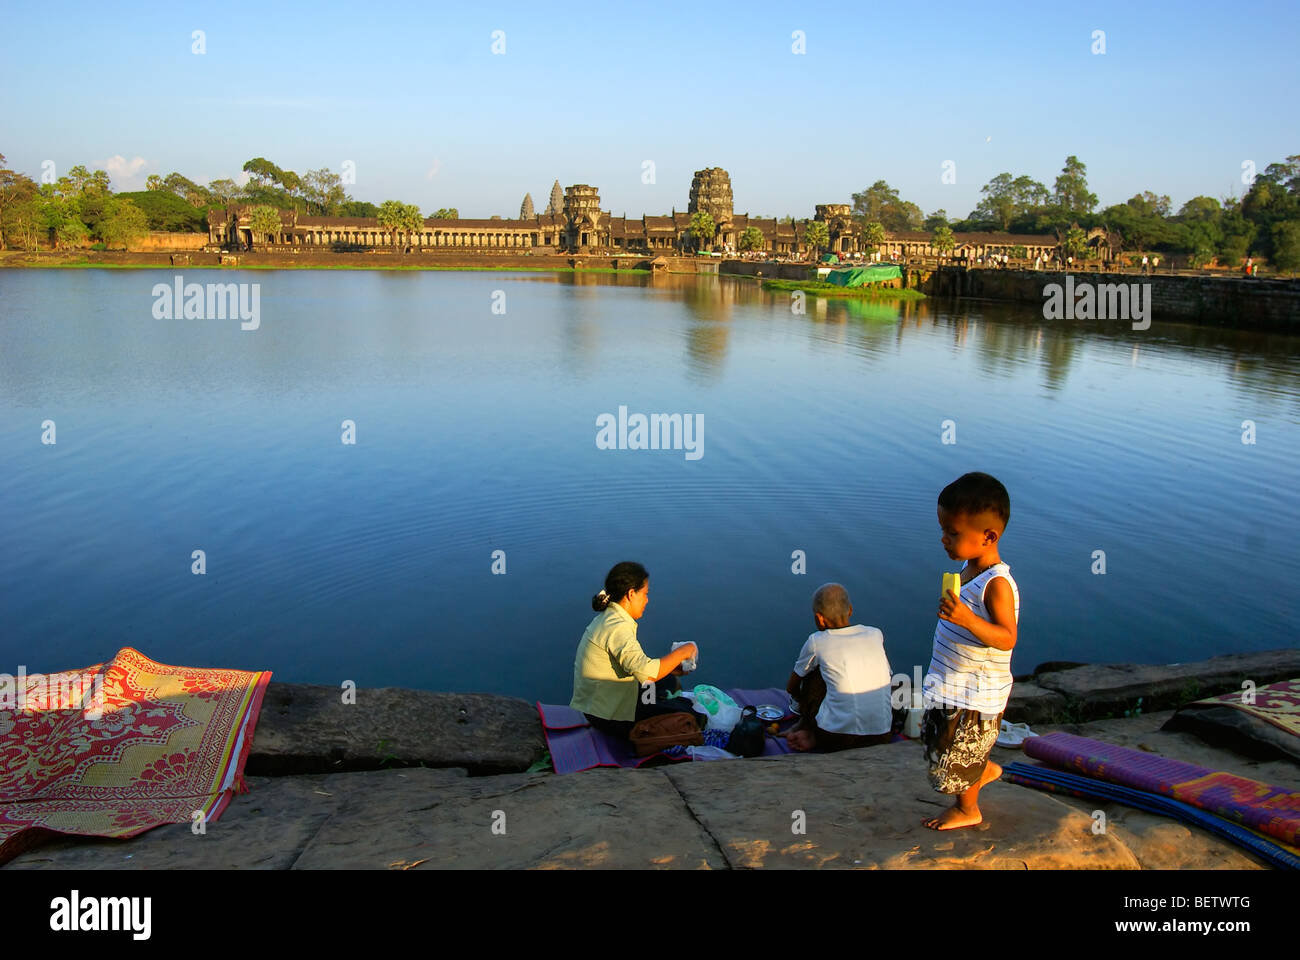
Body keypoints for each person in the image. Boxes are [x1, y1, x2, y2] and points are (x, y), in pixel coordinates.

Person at [921, 472, 1021, 830]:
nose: (943, 539)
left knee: (952, 757)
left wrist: (965, 619)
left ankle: (968, 809)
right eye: (943, 530)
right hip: (951, 681)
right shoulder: (968, 569)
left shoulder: (997, 585)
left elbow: (1007, 637)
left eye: (953, 533)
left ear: (988, 537)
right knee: (945, 742)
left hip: (974, 692)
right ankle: (983, 767)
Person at [570, 561, 699, 739]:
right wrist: (684, 651)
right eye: (645, 594)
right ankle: (651, 711)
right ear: (631, 594)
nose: (647, 600)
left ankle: (651, 706)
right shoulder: (617, 628)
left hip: (602, 702)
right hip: (608, 716)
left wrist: (672, 668)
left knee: (667, 681)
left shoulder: (610, 617)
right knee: (689, 714)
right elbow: (646, 674)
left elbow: (638, 668)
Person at [783, 583, 894, 752]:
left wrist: (805, 707)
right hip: (882, 734)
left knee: (813, 673)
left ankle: (808, 728)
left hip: (833, 737)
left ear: (819, 618)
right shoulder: (875, 634)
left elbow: (791, 687)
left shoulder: (817, 641)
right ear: (850, 610)